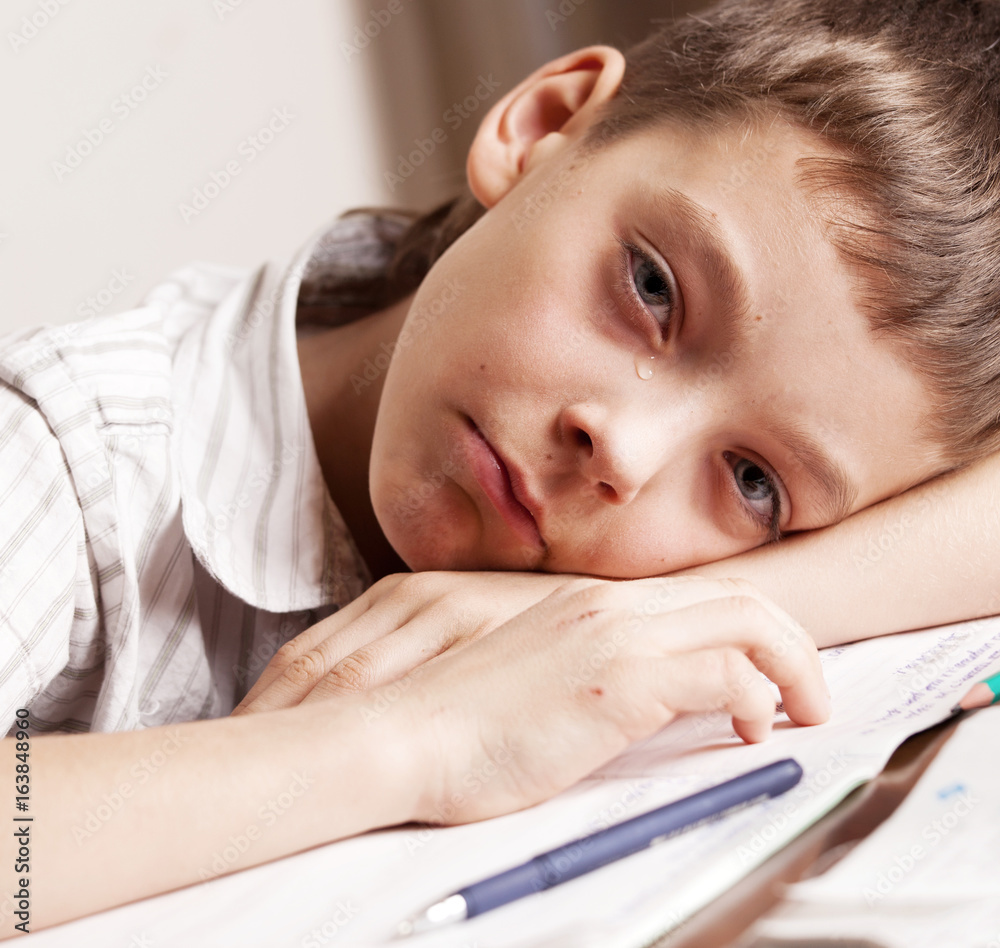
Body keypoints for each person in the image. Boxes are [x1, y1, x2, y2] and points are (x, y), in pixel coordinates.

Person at [3, 0, 1000, 934]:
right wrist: (418, 741)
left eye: (753, 482)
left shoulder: (618, 570)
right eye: (652, 288)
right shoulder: (70, 457)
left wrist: (677, 604)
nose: (627, 453)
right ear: (540, 127)